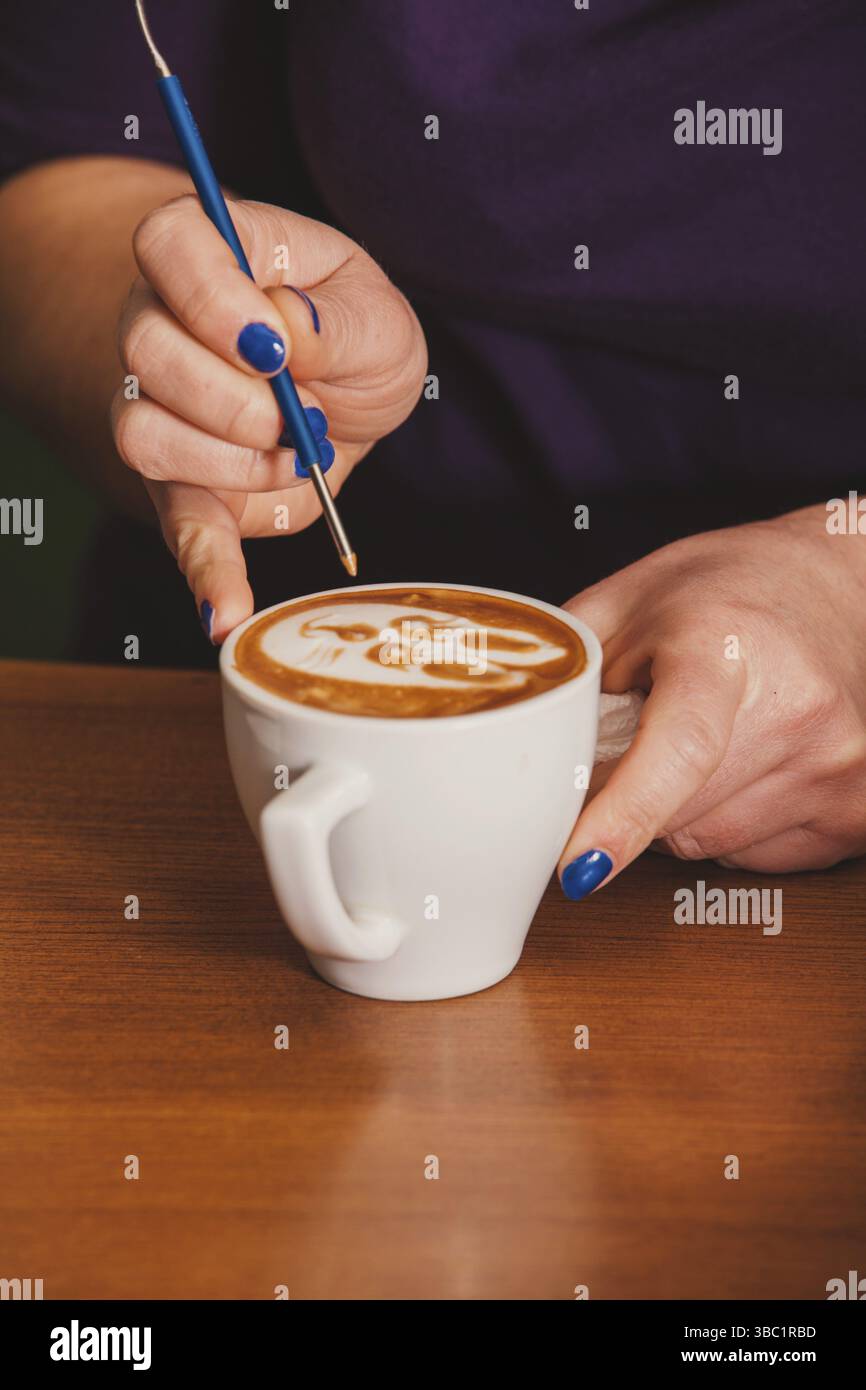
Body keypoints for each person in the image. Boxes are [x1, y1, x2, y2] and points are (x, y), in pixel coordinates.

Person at [1, 1, 864, 895]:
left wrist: (853, 582)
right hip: (227, 766)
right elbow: (59, 170)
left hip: (810, 810)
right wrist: (214, 370)